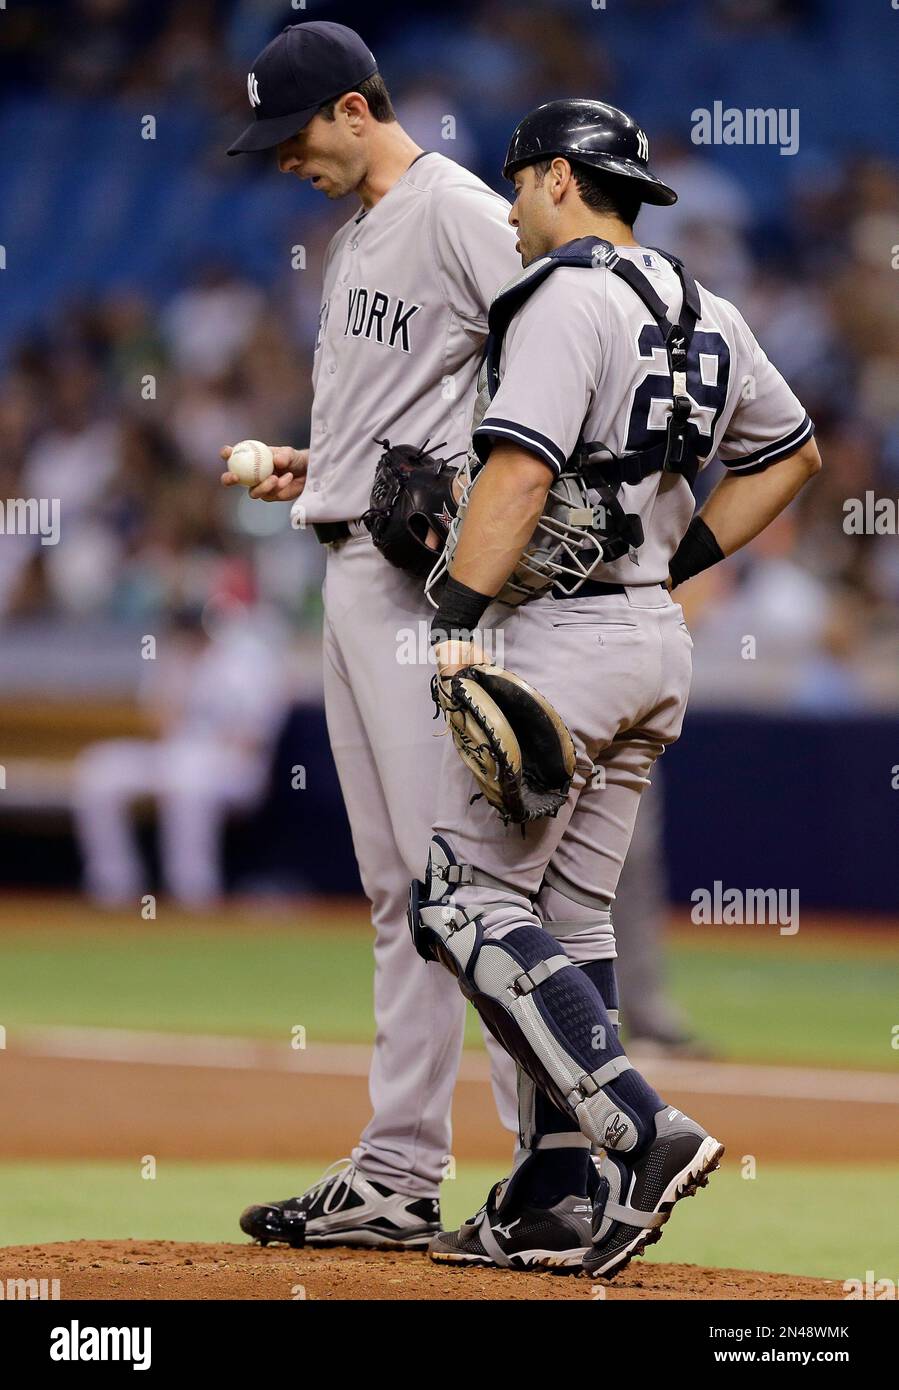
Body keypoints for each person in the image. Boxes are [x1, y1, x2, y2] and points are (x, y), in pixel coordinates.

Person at [412, 98, 821, 1276]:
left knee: (460, 898)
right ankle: (553, 1190)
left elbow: (517, 473)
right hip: (652, 640)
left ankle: (637, 1128)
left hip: (561, 643)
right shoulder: (709, 307)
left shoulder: (558, 297)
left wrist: (451, 618)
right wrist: (673, 562)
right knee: (570, 916)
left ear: (551, 180)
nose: (508, 208)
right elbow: (790, 452)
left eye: (516, 184)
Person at [223, 21, 522, 1249]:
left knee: (462, 880)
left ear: (355, 107)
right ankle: (398, 1171)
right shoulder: (355, 239)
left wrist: (475, 503)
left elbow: (566, 354)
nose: (284, 158)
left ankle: (554, 1160)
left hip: (420, 592)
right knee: (403, 888)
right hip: (347, 560)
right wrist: (321, 468)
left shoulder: (455, 208)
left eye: (294, 134)